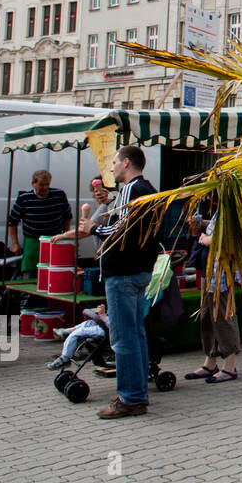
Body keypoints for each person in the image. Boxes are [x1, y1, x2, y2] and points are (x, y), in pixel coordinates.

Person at [76, 146, 159, 419]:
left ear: (126, 163)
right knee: (135, 334)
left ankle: (132, 397)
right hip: (139, 270)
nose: (111, 168)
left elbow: (120, 229)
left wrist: (93, 228)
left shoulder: (131, 189)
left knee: (123, 338)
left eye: (113, 162)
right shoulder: (147, 188)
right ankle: (136, 390)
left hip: (123, 272)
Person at [184, 213, 241, 384]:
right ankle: (211, 360)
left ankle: (229, 365)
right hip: (208, 268)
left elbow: (223, 237)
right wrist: (204, 224)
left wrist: (204, 239)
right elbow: (217, 226)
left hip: (221, 271)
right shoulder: (220, 204)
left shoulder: (233, 201)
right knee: (207, 315)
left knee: (223, 315)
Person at [7, 170, 72, 278]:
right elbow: (12, 222)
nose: (45, 188)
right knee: (31, 272)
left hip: (55, 239)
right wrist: (15, 243)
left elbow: (67, 217)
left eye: (47, 184)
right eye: (41, 185)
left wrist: (66, 236)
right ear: (33, 183)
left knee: (54, 270)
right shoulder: (24, 199)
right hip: (33, 241)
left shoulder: (59, 195)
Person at [47, 305, 107, 371]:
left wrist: (103, 316)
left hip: (109, 330)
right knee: (88, 323)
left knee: (78, 333)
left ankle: (64, 359)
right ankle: (66, 332)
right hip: (105, 324)